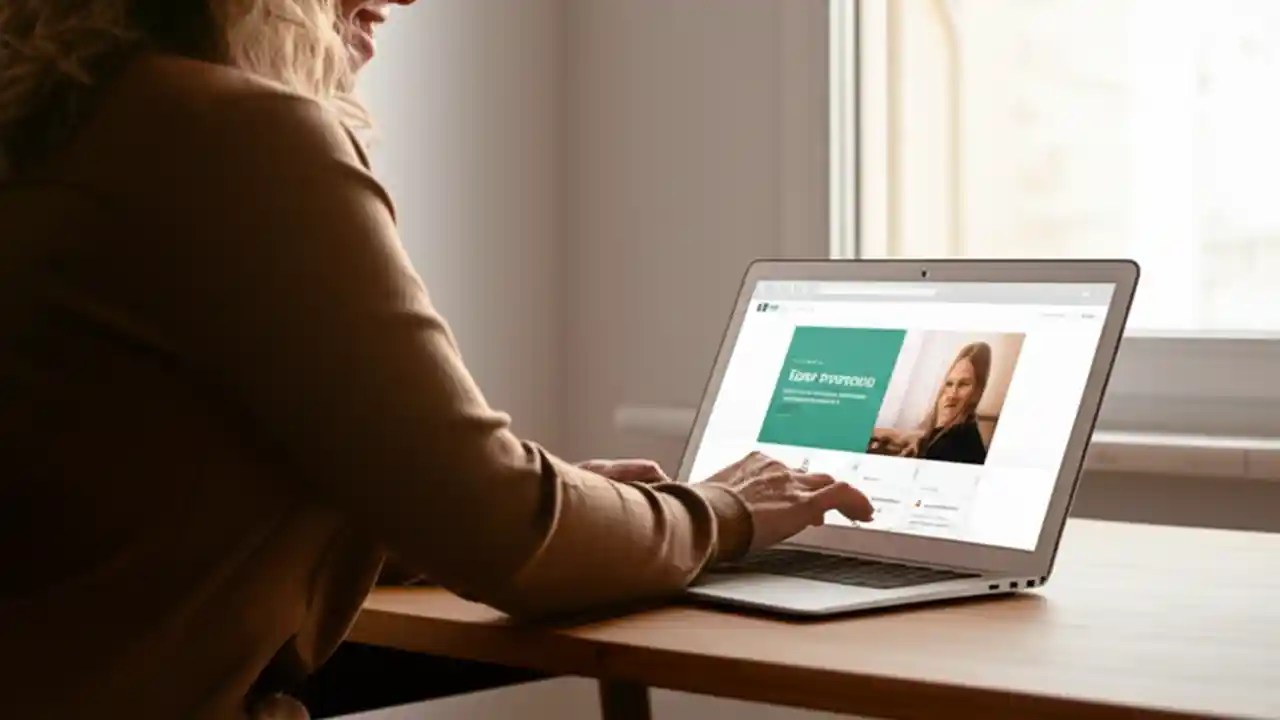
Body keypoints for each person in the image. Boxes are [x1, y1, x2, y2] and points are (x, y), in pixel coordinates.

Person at [0, 1, 874, 718]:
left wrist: (569, 508)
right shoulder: (237, 136)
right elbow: (503, 534)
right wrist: (720, 511)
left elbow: (141, 497)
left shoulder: (61, 127)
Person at [870, 342, 992, 465]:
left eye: (964, 384)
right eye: (949, 384)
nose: (951, 394)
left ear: (978, 390)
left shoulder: (955, 443)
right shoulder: (942, 433)